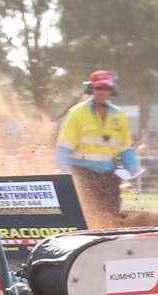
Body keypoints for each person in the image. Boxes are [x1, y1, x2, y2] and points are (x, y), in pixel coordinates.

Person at [55, 70, 139, 219]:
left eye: (106, 88)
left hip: (110, 174)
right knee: (87, 212)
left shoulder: (119, 115)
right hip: (83, 173)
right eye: (99, 88)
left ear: (111, 90)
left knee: (111, 212)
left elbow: (125, 147)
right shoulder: (77, 113)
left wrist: (132, 168)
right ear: (92, 89)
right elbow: (64, 146)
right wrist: (63, 173)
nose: (102, 92)